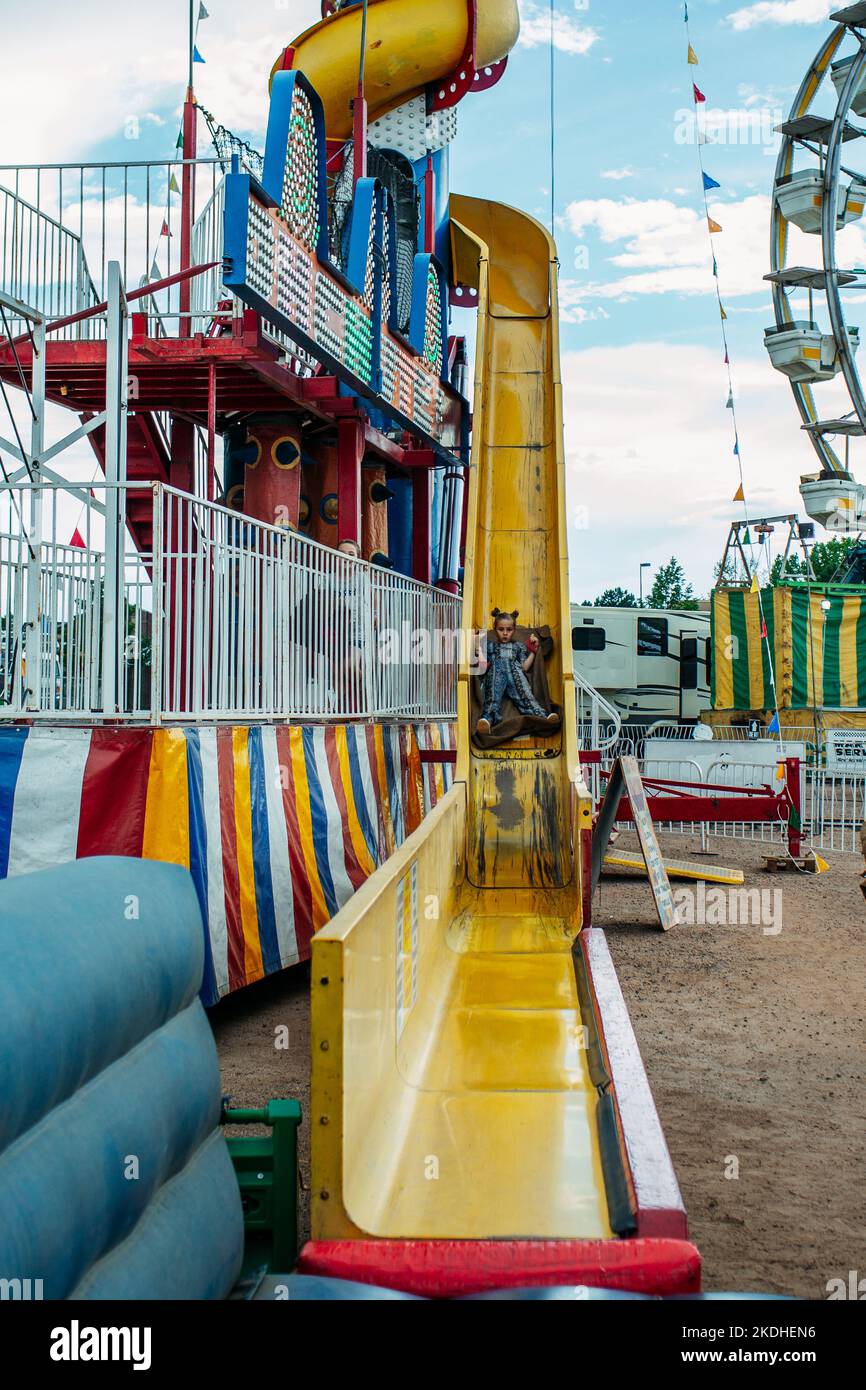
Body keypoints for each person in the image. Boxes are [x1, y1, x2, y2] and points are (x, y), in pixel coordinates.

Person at [477, 607, 559, 734]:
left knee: (526, 697)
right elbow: (483, 667)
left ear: (514, 630)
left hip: (516, 675)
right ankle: (487, 721)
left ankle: (544, 717)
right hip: (496, 674)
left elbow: (525, 667)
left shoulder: (518, 647)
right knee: (492, 697)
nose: (505, 633)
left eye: (509, 630)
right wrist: (479, 651)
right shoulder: (490, 646)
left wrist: (534, 650)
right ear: (495, 629)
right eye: (501, 629)